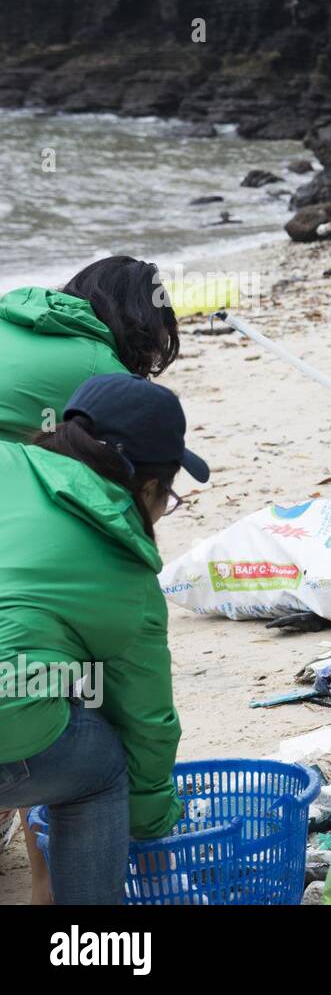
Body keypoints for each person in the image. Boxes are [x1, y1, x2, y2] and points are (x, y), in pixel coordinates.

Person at [0, 374, 207, 905]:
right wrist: (151, 824)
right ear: (145, 487)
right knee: (100, 768)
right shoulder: (125, 569)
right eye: (170, 495)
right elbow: (147, 723)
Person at [0, 256, 180, 442]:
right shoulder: (101, 368)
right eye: (153, 350)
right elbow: (153, 457)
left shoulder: (12, 314)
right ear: (140, 331)